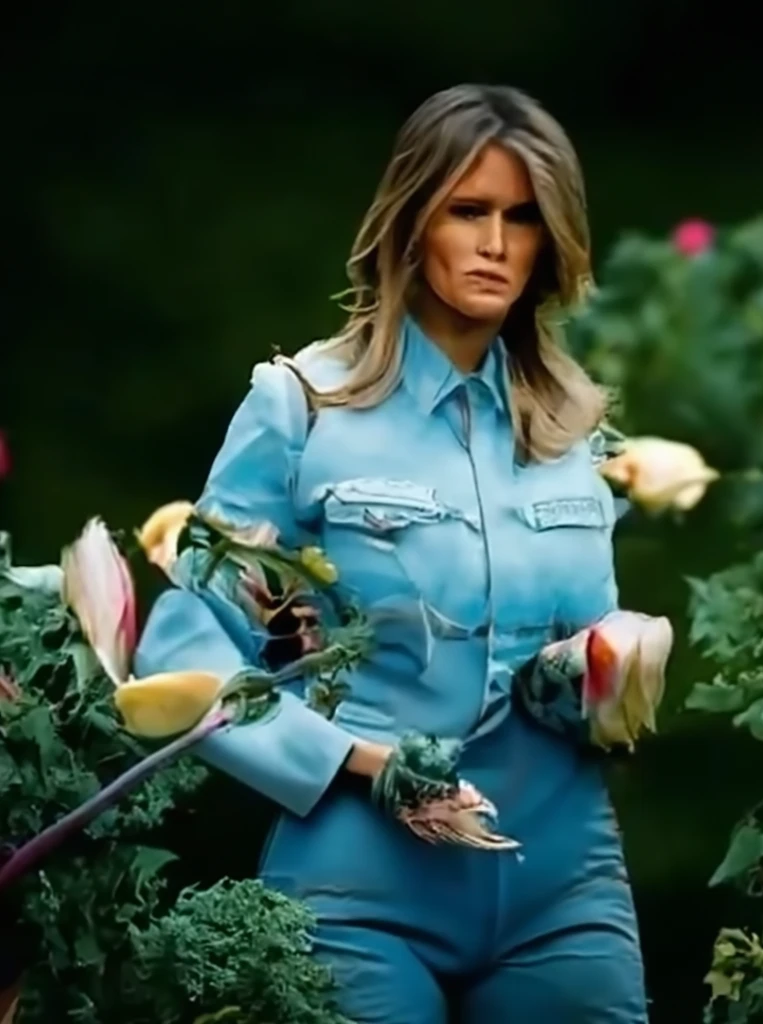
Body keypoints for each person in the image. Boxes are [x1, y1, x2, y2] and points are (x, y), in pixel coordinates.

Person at [135, 83, 648, 1023]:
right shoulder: (303, 410)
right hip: (359, 883)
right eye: (470, 211)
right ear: (414, 224)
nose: (497, 243)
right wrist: (359, 762)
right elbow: (186, 649)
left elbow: (584, 650)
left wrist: (610, 676)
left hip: (562, 881)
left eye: (524, 218)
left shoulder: (575, 431)